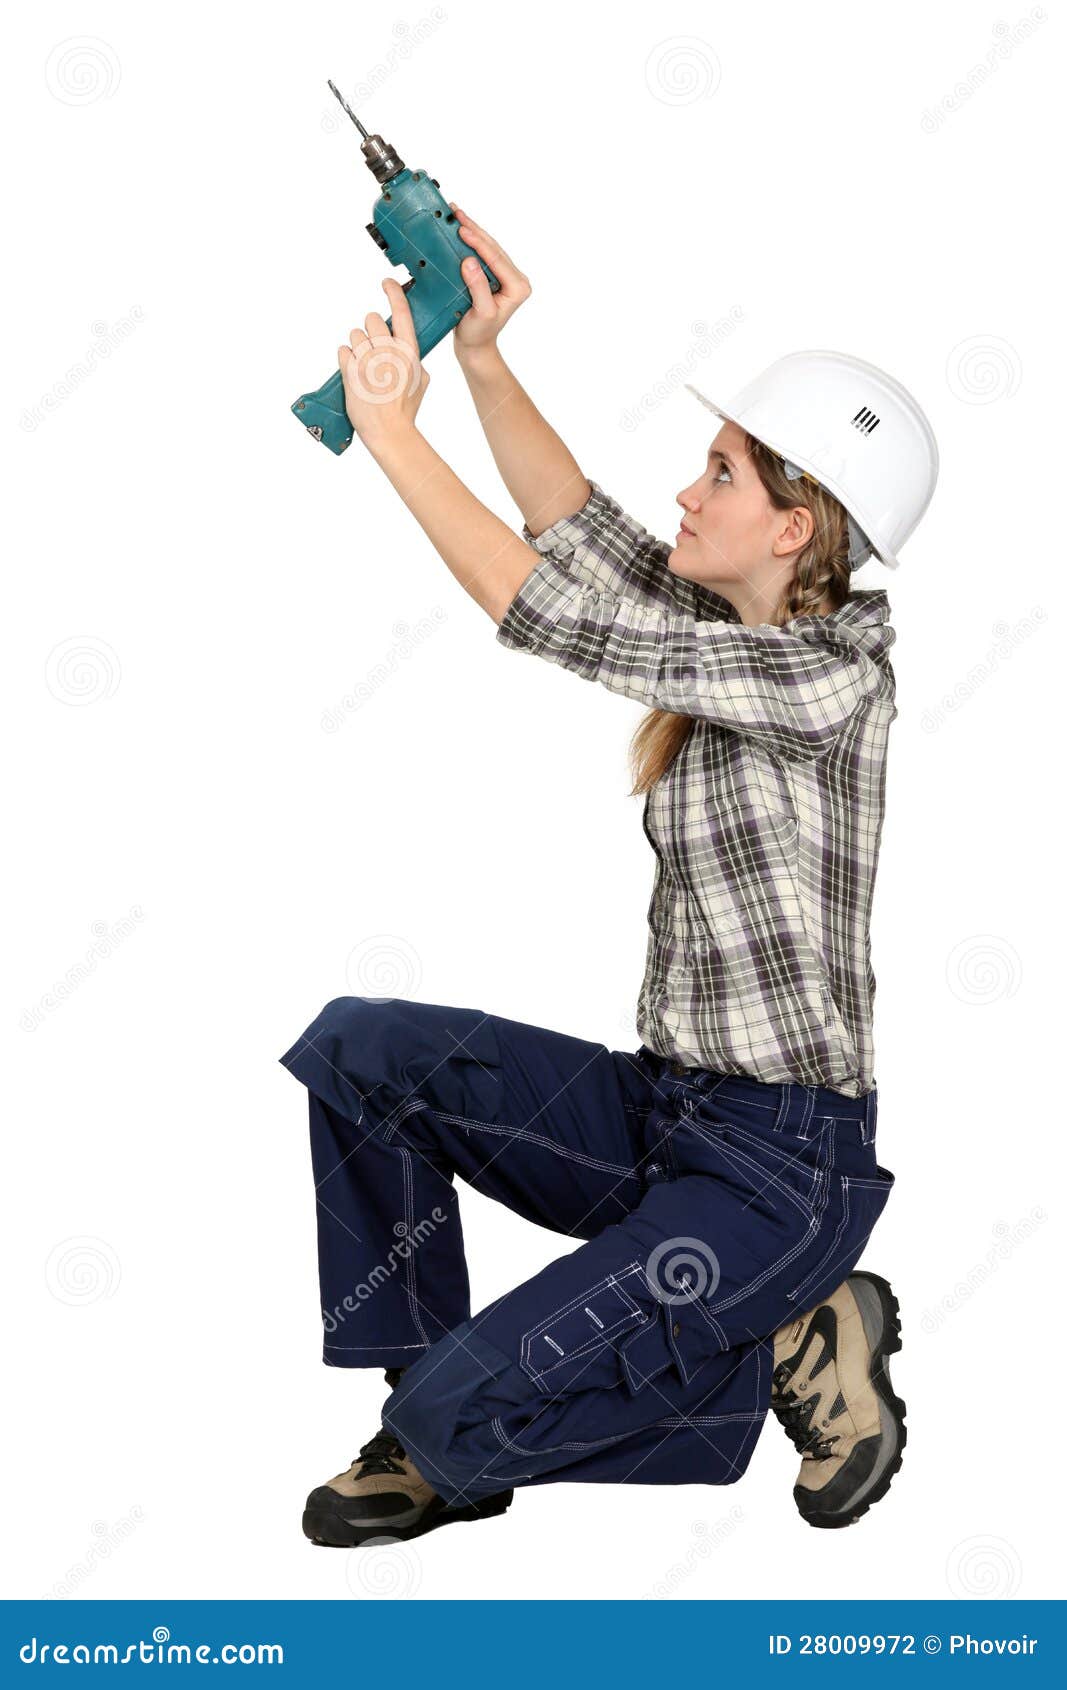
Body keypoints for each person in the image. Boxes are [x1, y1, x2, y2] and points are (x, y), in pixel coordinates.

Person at [280, 204, 938, 1546]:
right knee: (358, 1053)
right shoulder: (725, 615)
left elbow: (541, 605)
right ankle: (442, 1410)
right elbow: (567, 526)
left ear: (796, 525)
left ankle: (759, 1352)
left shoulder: (824, 677)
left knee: (457, 1431)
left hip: (779, 1176)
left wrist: (390, 433)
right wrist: (480, 357)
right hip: (666, 1116)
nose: (690, 494)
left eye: (722, 476)